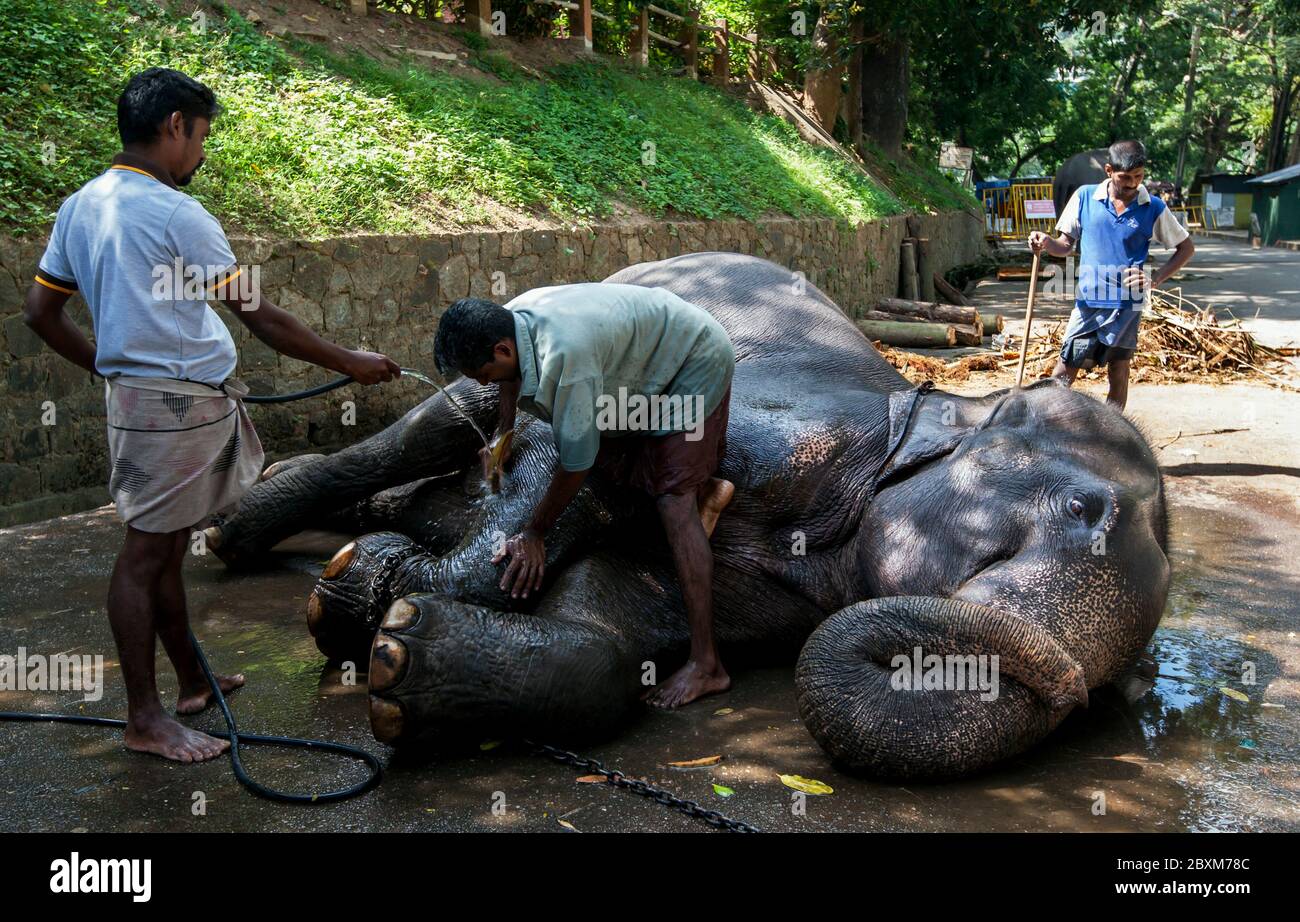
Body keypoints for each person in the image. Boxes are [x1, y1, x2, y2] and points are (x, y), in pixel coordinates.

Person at [23, 68, 399, 762]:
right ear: (175, 127)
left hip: (144, 404)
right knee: (144, 556)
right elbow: (262, 317)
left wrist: (112, 365)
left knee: (164, 548)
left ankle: (192, 682)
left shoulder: (82, 204)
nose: (200, 153)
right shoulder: (176, 214)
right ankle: (145, 718)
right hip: (173, 407)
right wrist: (350, 362)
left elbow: (41, 312)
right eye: (201, 137)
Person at [433, 284, 736, 708]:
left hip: (693, 360)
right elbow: (509, 379)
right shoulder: (511, 321)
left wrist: (535, 533)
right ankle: (692, 474)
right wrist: (504, 434)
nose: (483, 382)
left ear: (501, 349)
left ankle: (708, 665)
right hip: (642, 355)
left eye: (481, 374)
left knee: (671, 501)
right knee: (610, 444)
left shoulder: (566, 361)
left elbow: (576, 465)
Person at [1029, 140, 1195, 409]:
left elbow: (1186, 248)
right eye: (1125, 177)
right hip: (1088, 302)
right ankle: (1049, 424)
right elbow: (1065, 246)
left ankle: (1112, 436)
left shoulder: (1152, 207)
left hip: (1127, 304)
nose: (1133, 184)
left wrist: (1155, 279)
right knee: (1064, 369)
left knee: (1118, 371)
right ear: (1108, 170)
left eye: (1139, 177)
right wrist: (1047, 242)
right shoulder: (1085, 197)